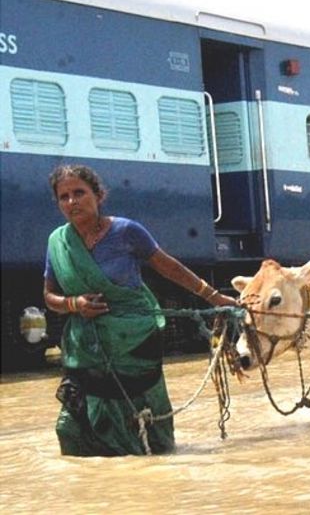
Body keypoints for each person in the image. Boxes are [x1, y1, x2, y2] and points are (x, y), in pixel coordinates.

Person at [43, 164, 237, 456]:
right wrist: (75, 305)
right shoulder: (58, 242)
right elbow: (48, 296)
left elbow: (169, 267)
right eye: (64, 196)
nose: (72, 202)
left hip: (133, 344)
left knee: (141, 423)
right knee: (69, 429)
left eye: (79, 193)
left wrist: (214, 297)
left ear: (97, 195)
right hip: (84, 349)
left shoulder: (126, 231)